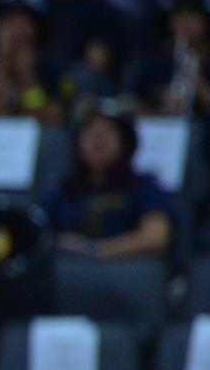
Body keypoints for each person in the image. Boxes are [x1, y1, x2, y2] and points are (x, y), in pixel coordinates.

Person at [38, 100, 176, 262]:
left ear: (126, 142)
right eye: (90, 131)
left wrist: (95, 250)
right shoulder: (61, 190)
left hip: (127, 275)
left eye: (108, 131)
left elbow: (156, 237)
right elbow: (38, 234)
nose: (98, 138)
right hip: (69, 275)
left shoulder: (145, 187)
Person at [0, 0, 67, 125]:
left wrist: (27, 77)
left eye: (24, 21)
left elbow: (46, 121)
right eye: (10, 21)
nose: (17, 30)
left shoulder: (51, 70)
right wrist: (2, 63)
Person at [135, 0, 210, 122]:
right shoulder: (151, 63)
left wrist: (200, 86)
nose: (184, 22)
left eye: (192, 15)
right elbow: (129, 102)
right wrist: (160, 103)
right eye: (178, 15)